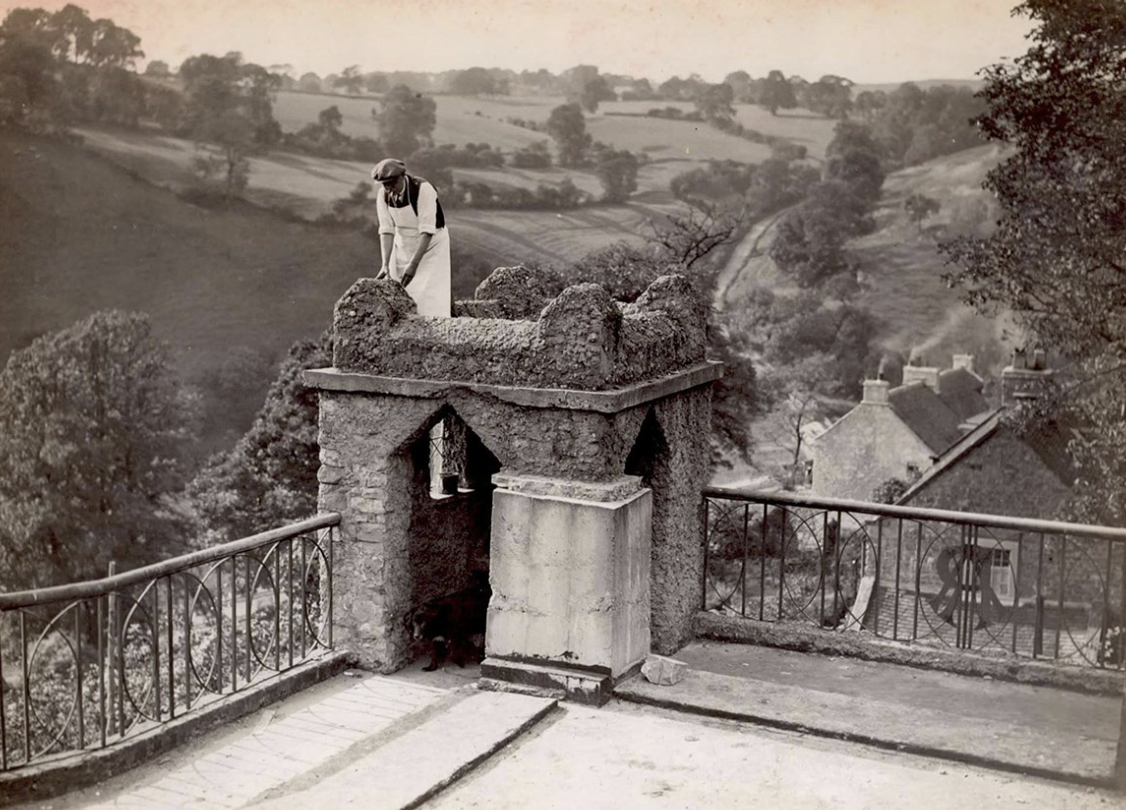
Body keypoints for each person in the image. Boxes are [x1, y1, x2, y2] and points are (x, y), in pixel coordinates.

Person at [372, 158, 451, 317]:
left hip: (431, 246)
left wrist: (414, 264)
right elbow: (386, 230)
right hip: (403, 245)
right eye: (385, 185)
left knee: (429, 297)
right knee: (399, 292)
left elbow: (427, 230)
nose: (389, 189)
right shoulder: (383, 194)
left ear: (402, 176)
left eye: (392, 184)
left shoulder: (423, 189)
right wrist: (385, 264)